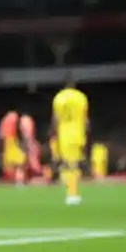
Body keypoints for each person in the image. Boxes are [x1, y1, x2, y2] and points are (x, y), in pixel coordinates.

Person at [51, 78, 89, 206]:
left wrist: (53, 134)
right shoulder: (81, 97)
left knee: (68, 165)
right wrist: (85, 134)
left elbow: (55, 119)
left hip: (64, 134)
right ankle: (72, 193)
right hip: (78, 133)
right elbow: (86, 120)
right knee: (74, 165)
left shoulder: (58, 98)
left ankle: (71, 193)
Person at [0, 111, 26, 184]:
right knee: (19, 165)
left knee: (15, 166)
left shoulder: (4, 120)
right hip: (11, 144)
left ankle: (17, 182)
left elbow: (0, 135)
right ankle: (18, 182)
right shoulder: (14, 117)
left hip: (9, 145)